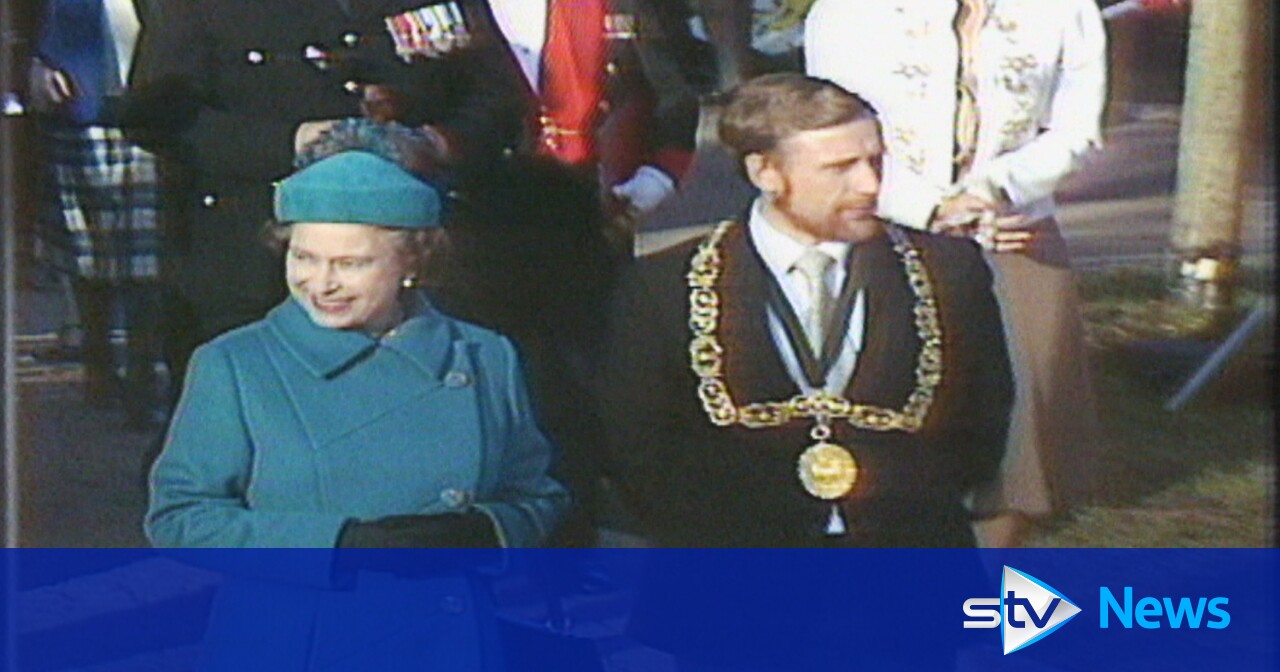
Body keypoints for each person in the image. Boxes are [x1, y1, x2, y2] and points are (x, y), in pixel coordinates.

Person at [598, 72, 1011, 669]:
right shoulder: (664, 284)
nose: (868, 184)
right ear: (765, 172)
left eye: (875, 160)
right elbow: (635, 439)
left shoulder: (950, 270)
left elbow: (982, 420)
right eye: (839, 167)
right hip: (733, 589)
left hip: (901, 584)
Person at [146, 149, 568, 668]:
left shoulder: (486, 355)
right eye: (302, 257)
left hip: (447, 640)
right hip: (294, 644)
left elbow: (538, 494)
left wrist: (487, 530)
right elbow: (180, 517)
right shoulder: (235, 364)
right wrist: (339, 543)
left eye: (351, 264)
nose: (321, 284)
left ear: (413, 262)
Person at [806, 0, 1108, 547]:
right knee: (877, 420)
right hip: (880, 231)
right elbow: (829, 131)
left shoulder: (1064, 9)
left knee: (1021, 434)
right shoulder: (848, 11)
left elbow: (1077, 130)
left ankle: (987, 600)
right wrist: (932, 209)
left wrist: (995, 191)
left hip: (1017, 229)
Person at [122, 0, 527, 391]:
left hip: (412, 281)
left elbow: (498, 97)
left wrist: (435, 144)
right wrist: (291, 142)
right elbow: (156, 119)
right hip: (255, 274)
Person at [28, 0, 163, 427]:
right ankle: (99, 366)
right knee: (85, 252)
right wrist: (38, 70)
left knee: (146, 260)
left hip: (147, 120)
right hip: (78, 120)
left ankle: (141, 379)